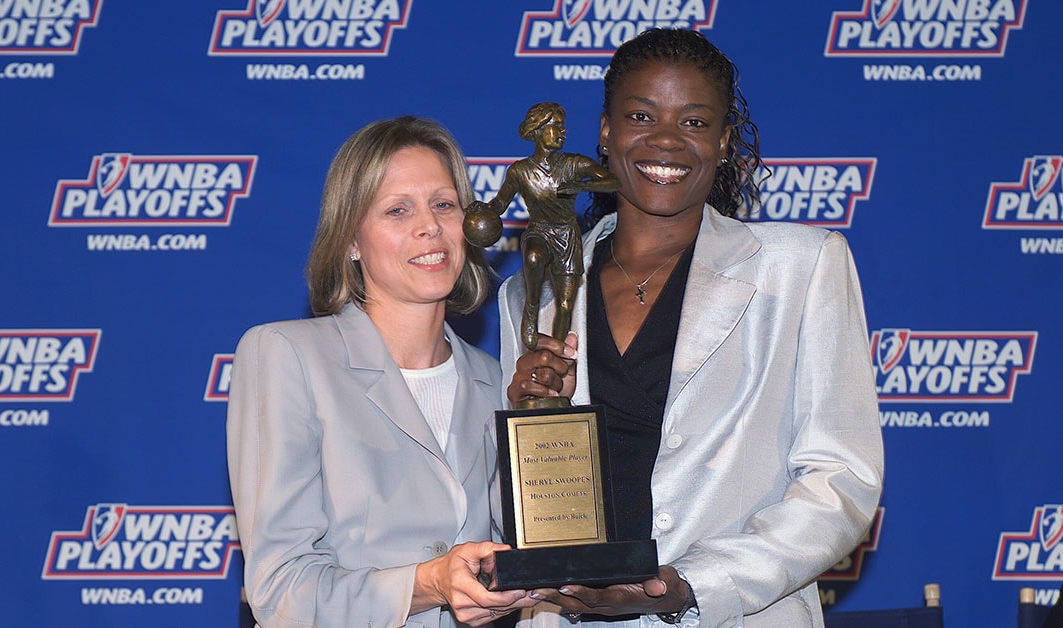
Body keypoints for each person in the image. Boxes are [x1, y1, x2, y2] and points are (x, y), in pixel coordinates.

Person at [499, 29, 884, 626]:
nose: (666, 140)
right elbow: (511, 516)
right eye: (640, 116)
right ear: (605, 132)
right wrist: (525, 419)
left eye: (695, 122)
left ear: (724, 141)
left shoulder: (801, 267)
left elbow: (841, 480)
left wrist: (692, 585)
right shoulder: (533, 294)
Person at [227, 116, 534, 627]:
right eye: (397, 210)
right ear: (351, 240)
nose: (429, 227)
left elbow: (518, 559)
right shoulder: (286, 356)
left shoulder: (497, 382)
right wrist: (428, 583)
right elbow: (280, 589)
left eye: (444, 204)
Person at [469, 102, 620, 353]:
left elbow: (614, 182)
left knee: (565, 304)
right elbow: (499, 204)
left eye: (563, 126)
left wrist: (582, 186)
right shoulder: (520, 171)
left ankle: (557, 352)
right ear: (538, 130)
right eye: (556, 126)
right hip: (539, 231)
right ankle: (531, 308)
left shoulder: (573, 164)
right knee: (533, 257)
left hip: (567, 235)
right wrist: (481, 210)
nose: (563, 131)